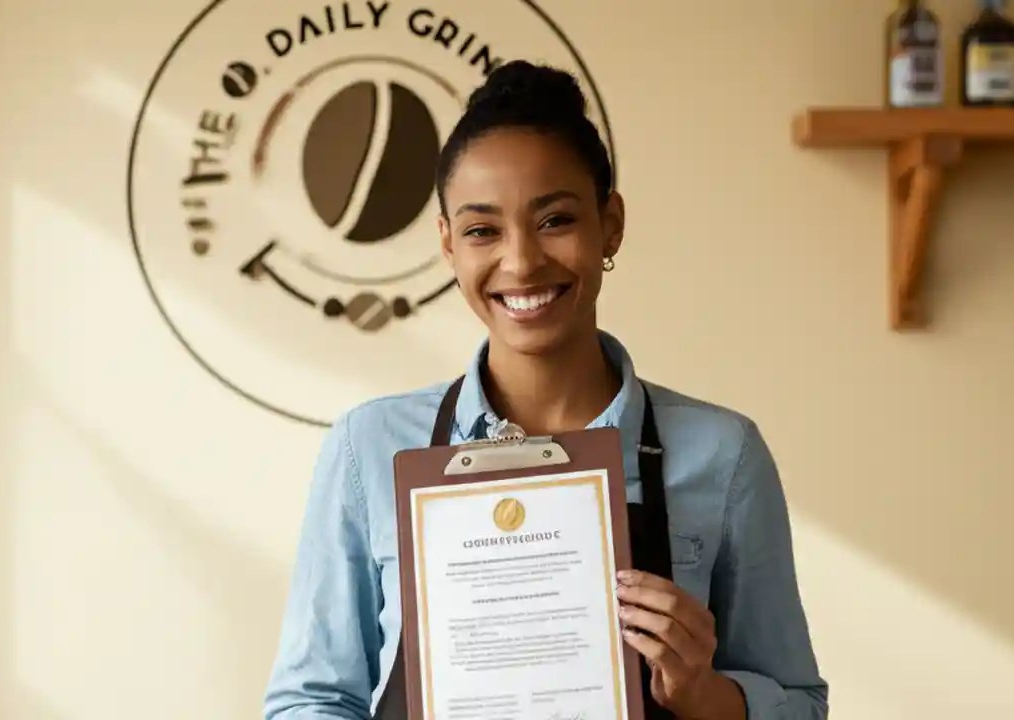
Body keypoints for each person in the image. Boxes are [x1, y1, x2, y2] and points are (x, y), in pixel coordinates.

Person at [262, 60, 828, 720]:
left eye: (555, 219)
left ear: (609, 223)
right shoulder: (369, 448)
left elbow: (801, 707)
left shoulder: (722, 453)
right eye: (482, 230)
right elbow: (313, 700)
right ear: (448, 244)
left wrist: (704, 693)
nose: (522, 260)